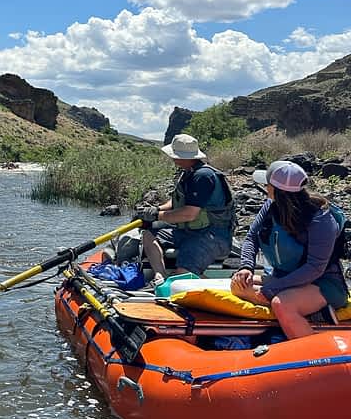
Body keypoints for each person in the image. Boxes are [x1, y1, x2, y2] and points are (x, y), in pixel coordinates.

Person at [230, 160, 347, 339]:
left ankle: (314, 354)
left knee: (282, 303)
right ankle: (301, 318)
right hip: (285, 277)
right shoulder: (270, 206)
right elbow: (251, 237)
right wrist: (246, 267)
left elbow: (315, 268)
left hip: (324, 283)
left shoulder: (321, 219)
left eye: (268, 184)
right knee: (238, 285)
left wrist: (273, 288)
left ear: (277, 190)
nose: (265, 187)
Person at [136, 134, 235, 287]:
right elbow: (177, 202)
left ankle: (226, 287)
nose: (172, 159)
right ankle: (160, 276)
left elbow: (189, 213)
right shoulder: (189, 172)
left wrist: (157, 216)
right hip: (190, 232)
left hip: (213, 235)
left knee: (183, 276)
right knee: (149, 235)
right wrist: (156, 209)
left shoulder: (203, 176)